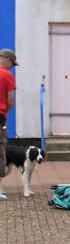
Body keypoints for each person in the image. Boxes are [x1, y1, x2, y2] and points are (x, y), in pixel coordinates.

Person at [0, 48, 17, 202]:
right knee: (0, 151)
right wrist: (4, 113)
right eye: (12, 63)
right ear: (6, 59)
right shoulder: (7, 75)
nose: (11, 67)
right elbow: (10, 100)